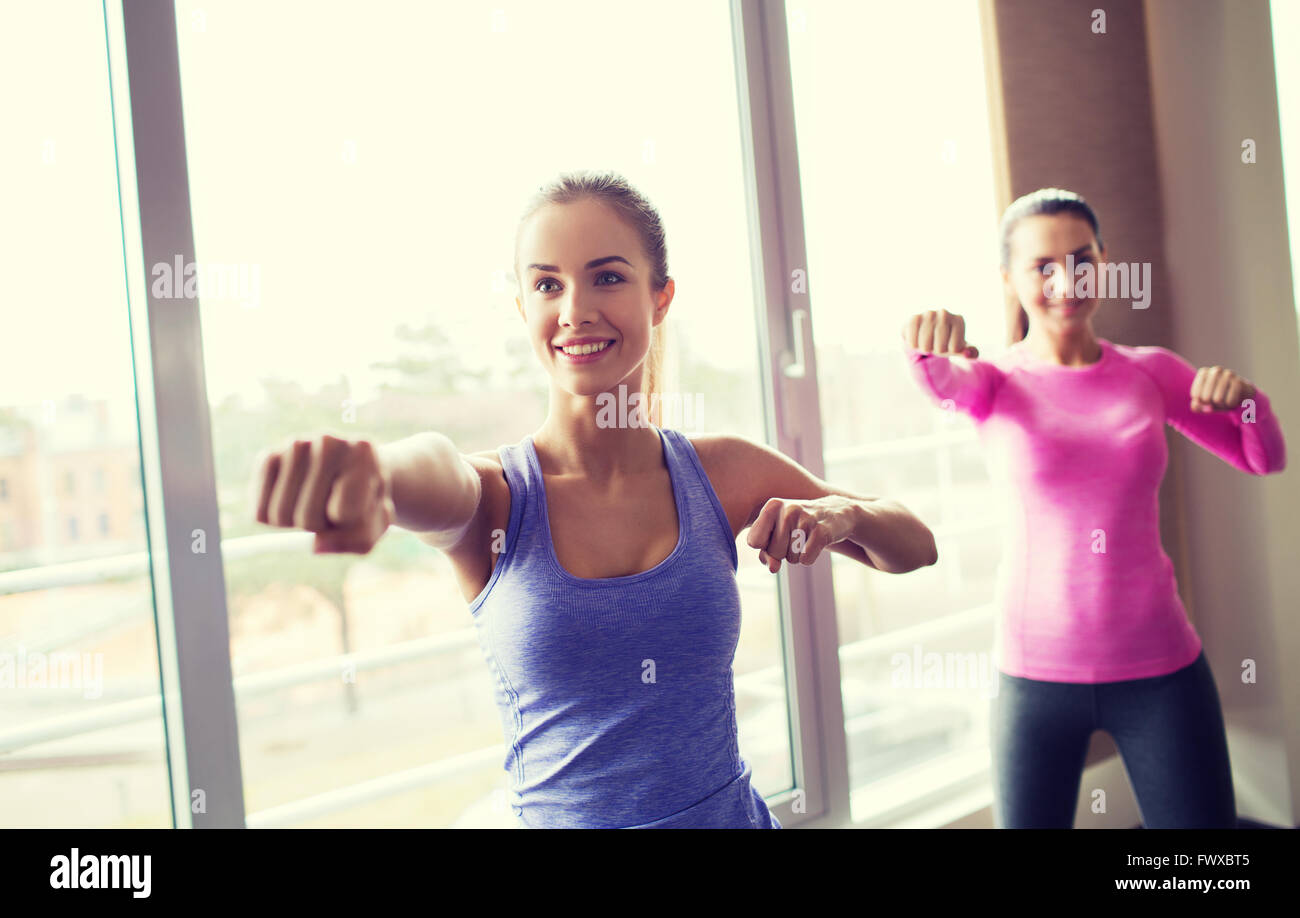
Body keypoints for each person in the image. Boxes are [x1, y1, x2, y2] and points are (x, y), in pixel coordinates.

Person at [253, 170, 938, 828]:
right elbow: (433, 468)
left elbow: (915, 544)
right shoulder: (495, 499)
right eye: (547, 285)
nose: (575, 310)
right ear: (524, 308)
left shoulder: (721, 471)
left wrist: (843, 514)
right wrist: (376, 471)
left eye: (607, 277)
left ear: (660, 298)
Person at [900, 187, 1287, 829]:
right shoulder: (993, 382)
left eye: (1082, 259)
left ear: (1105, 259)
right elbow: (941, 381)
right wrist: (922, 344)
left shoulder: (1151, 373)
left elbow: (1262, 457)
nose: (1066, 280)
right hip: (1034, 678)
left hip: (1161, 668)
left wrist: (1248, 402)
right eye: (1042, 266)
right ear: (1008, 278)